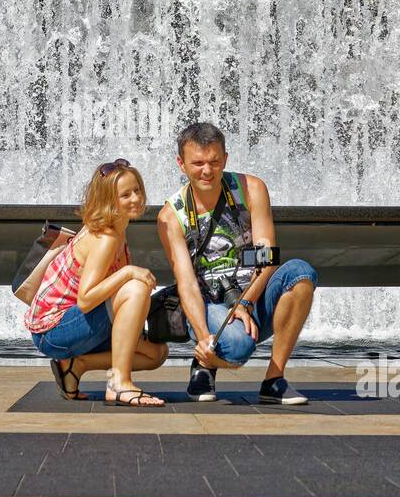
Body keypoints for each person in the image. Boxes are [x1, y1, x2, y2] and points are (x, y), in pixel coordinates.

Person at [155, 123, 317, 404]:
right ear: (181, 164)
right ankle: (204, 363)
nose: (207, 171)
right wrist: (204, 341)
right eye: (198, 163)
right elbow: (187, 284)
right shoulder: (170, 217)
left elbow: (267, 256)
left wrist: (245, 303)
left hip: (253, 296)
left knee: (301, 273)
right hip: (209, 306)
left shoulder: (251, 189)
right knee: (238, 347)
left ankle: (274, 379)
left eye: (215, 162)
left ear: (226, 159)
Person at [25, 158, 169, 407]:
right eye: (125, 195)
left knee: (156, 354)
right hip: (53, 331)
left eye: (137, 190)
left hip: (74, 325)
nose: (135, 198)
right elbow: (86, 299)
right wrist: (128, 272)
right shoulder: (106, 238)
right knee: (136, 287)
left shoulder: (118, 229)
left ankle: (76, 365)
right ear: (109, 201)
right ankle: (119, 383)